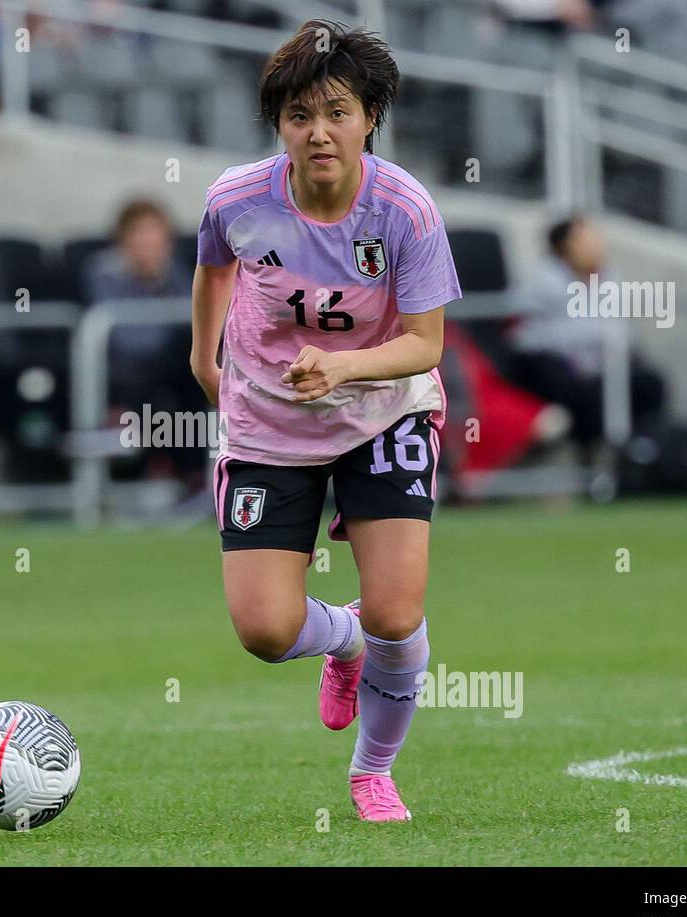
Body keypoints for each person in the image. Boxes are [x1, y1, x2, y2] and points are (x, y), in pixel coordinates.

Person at [191, 20, 462, 822]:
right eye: (300, 115)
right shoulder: (236, 198)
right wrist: (203, 357)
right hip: (268, 423)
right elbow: (212, 268)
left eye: (337, 112)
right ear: (279, 123)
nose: (319, 133)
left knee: (396, 611)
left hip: (383, 412)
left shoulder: (405, 211)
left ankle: (373, 771)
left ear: (370, 116)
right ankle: (339, 641)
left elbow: (426, 343)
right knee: (266, 631)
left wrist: (341, 366)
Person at [508, 215, 665, 453]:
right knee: (588, 394)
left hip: (604, 367)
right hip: (558, 370)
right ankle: (593, 459)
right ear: (568, 245)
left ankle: (642, 455)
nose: (598, 244)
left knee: (651, 383)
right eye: (588, 238)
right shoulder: (544, 281)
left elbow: (620, 331)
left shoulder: (608, 276)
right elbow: (558, 337)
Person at [82, 198, 201, 494]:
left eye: (154, 234)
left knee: (189, 373)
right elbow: (127, 338)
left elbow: (196, 323)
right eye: (139, 234)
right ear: (122, 240)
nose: (147, 244)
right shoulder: (103, 274)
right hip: (122, 373)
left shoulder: (175, 274)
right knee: (181, 359)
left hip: (172, 377)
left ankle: (193, 476)